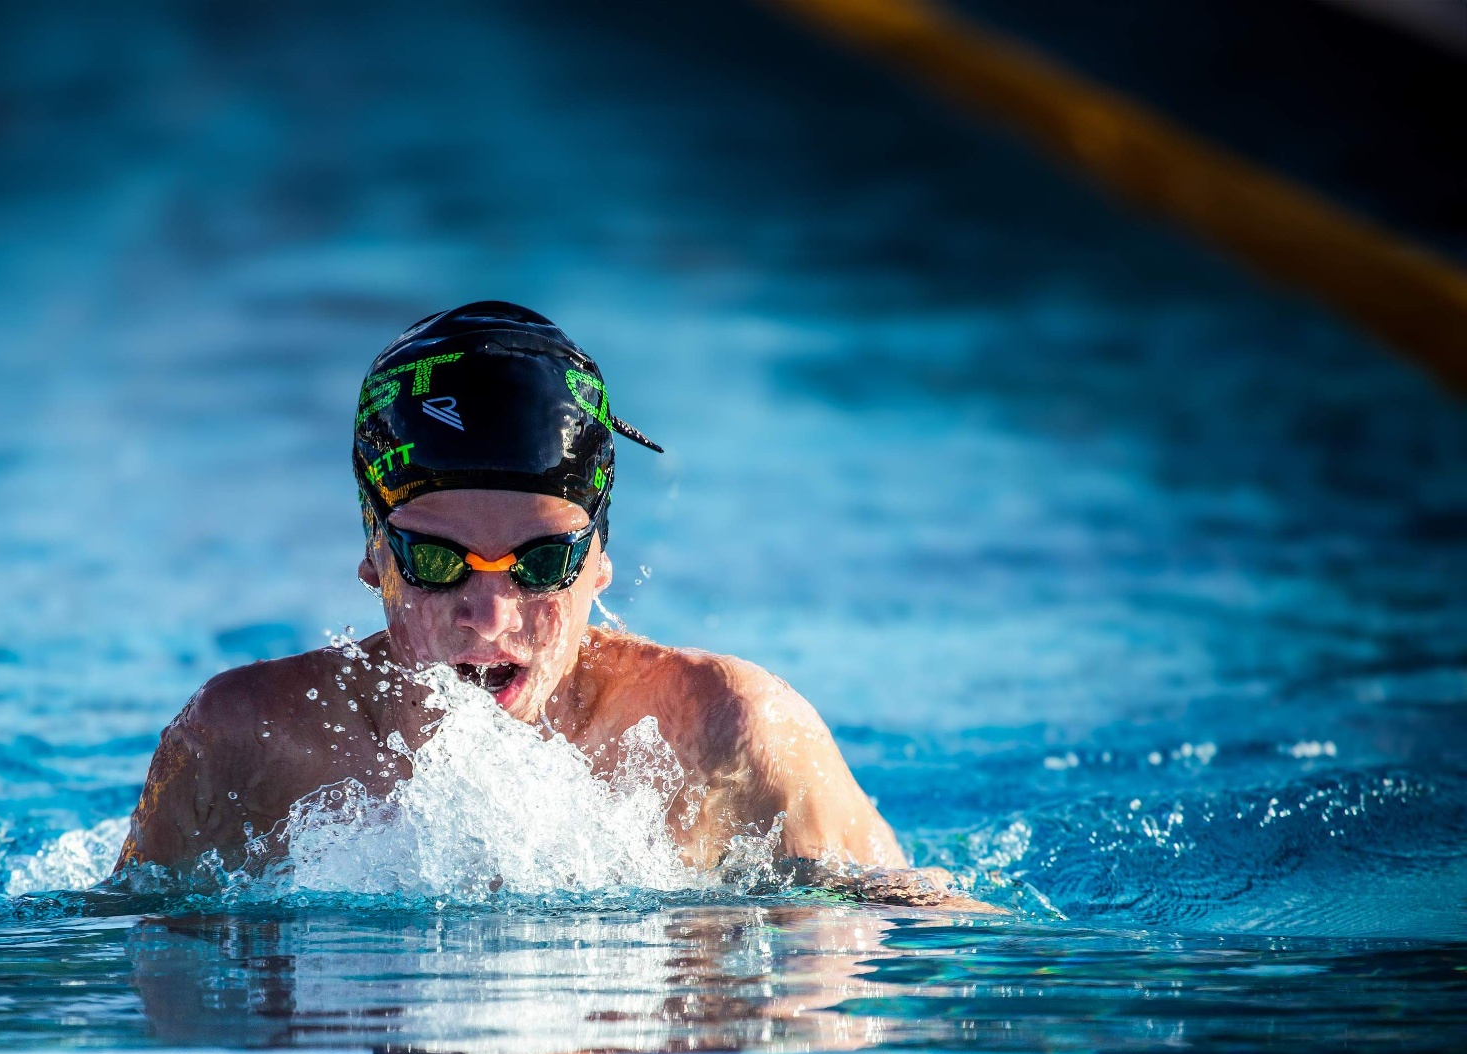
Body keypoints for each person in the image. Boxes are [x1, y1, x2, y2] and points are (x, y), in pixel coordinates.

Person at [119, 301, 981, 906]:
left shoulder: (728, 732)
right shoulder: (244, 742)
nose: (489, 617)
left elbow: (923, 945)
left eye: (540, 562)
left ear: (600, 559)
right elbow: (116, 968)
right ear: (376, 554)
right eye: (433, 558)